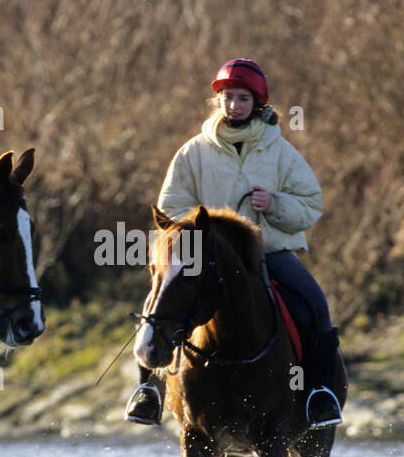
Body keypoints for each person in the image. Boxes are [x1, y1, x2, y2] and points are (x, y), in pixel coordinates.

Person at [126, 58, 343, 429]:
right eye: (228, 97)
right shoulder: (192, 152)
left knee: (315, 306)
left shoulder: (281, 152)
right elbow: (170, 208)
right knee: (159, 303)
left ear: (257, 104)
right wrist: (203, 230)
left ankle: (318, 395)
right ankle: (150, 391)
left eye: (242, 98)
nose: (234, 105)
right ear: (219, 101)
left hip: (268, 254)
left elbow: (310, 204)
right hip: (201, 255)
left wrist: (274, 203)